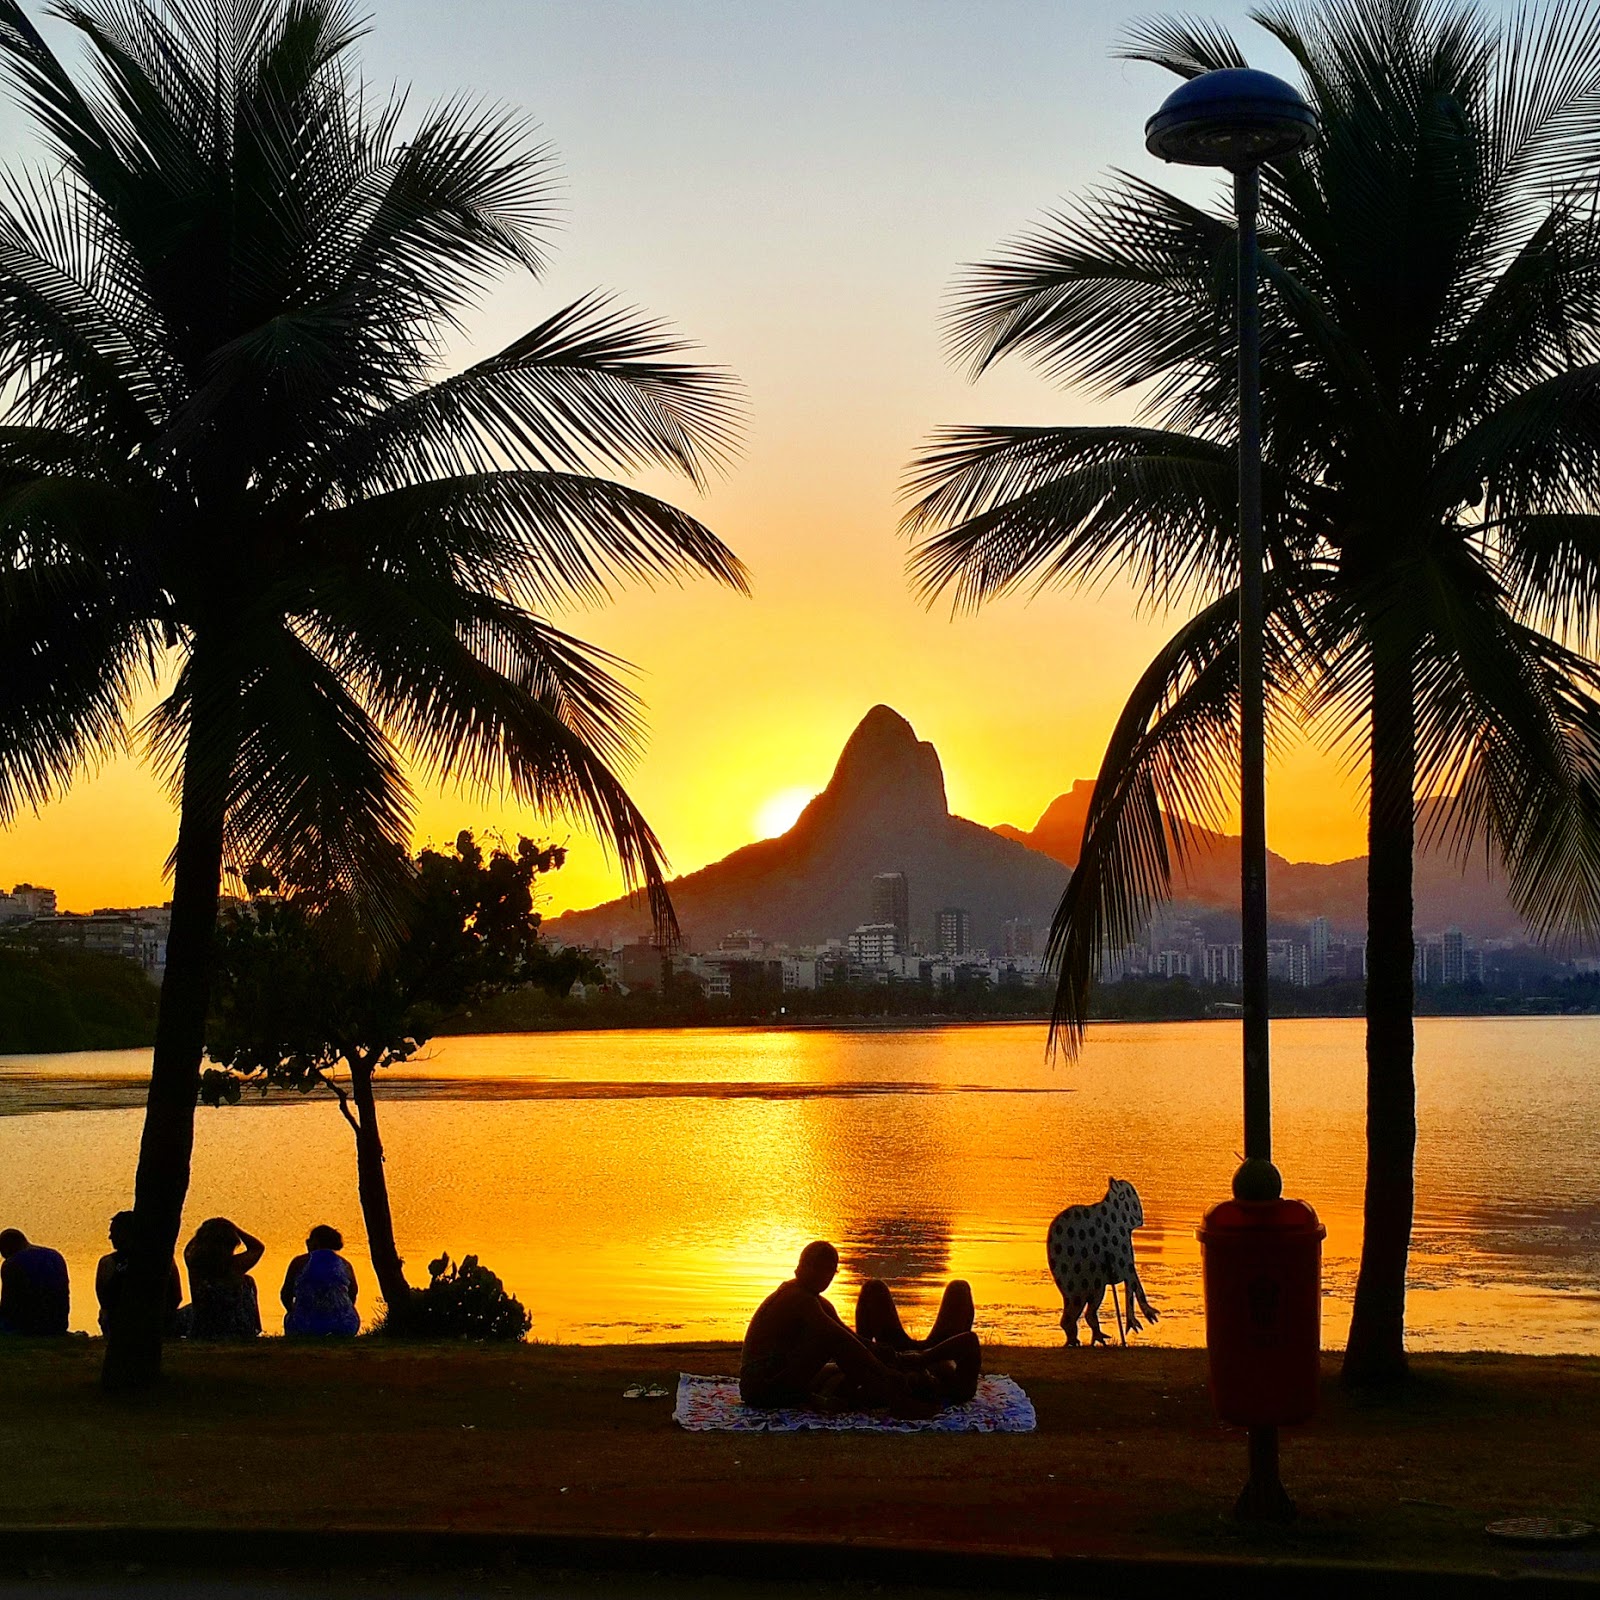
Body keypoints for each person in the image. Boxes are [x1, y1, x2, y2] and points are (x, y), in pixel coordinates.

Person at [739, 1241, 975, 1416]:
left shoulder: (815, 1300)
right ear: (804, 1267)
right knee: (832, 1342)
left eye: (829, 1272)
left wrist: (883, 1353)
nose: (825, 1278)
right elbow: (837, 1339)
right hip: (764, 1390)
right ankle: (895, 1399)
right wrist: (883, 1372)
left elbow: (849, 1336)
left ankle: (887, 1391)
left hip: (774, 1380)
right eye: (819, 1270)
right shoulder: (799, 1298)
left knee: (839, 1356)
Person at [855, 1275, 982, 1404]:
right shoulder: (956, 1390)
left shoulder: (886, 1385)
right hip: (937, 1352)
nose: (916, 1376)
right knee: (959, 1287)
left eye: (913, 1379)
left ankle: (859, 1359)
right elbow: (970, 1341)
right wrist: (922, 1359)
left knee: (873, 1287)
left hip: (897, 1353)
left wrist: (874, 1357)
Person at [95, 1211, 183, 1337]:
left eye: (114, 1232)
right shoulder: (164, 1259)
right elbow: (176, 1297)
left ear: (126, 1234)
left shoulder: (108, 1263)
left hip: (121, 1325)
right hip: (159, 1324)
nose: (110, 1237)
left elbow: (105, 1302)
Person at [183, 1217, 264, 1340]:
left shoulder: (194, 1264)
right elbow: (257, 1247)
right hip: (233, 1328)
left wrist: (206, 1230)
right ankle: (254, 1328)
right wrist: (235, 1228)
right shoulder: (235, 1266)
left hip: (203, 1327)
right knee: (248, 1281)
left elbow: (188, 1248)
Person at [280, 1225, 360, 1337]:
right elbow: (353, 1293)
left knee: (290, 1318)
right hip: (345, 1326)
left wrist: (292, 1310)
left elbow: (285, 1294)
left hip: (307, 1327)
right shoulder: (345, 1264)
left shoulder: (300, 1262)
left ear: (314, 1242)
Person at [0, 1229, 69, 1335]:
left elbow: (8, 1302)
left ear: (7, 1247)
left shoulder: (11, 1264)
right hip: (58, 1324)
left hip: (28, 1327)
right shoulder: (54, 1255)